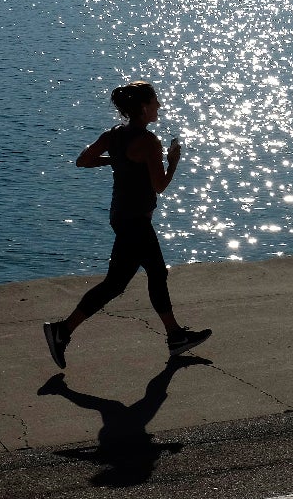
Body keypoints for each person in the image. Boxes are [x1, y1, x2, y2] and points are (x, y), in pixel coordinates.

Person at [44, 81, 210, 368]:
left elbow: (83, 160)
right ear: (144, 107)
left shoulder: (114, 135)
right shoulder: (148, 142)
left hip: (121, 217)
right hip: (135, 221)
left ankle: (174, 336)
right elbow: (159, 186)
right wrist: (173, 162)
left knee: (128, 281)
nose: (159, 105)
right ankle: (62, 331)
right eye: (155, 101)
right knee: (141, 277)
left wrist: (117, 161)